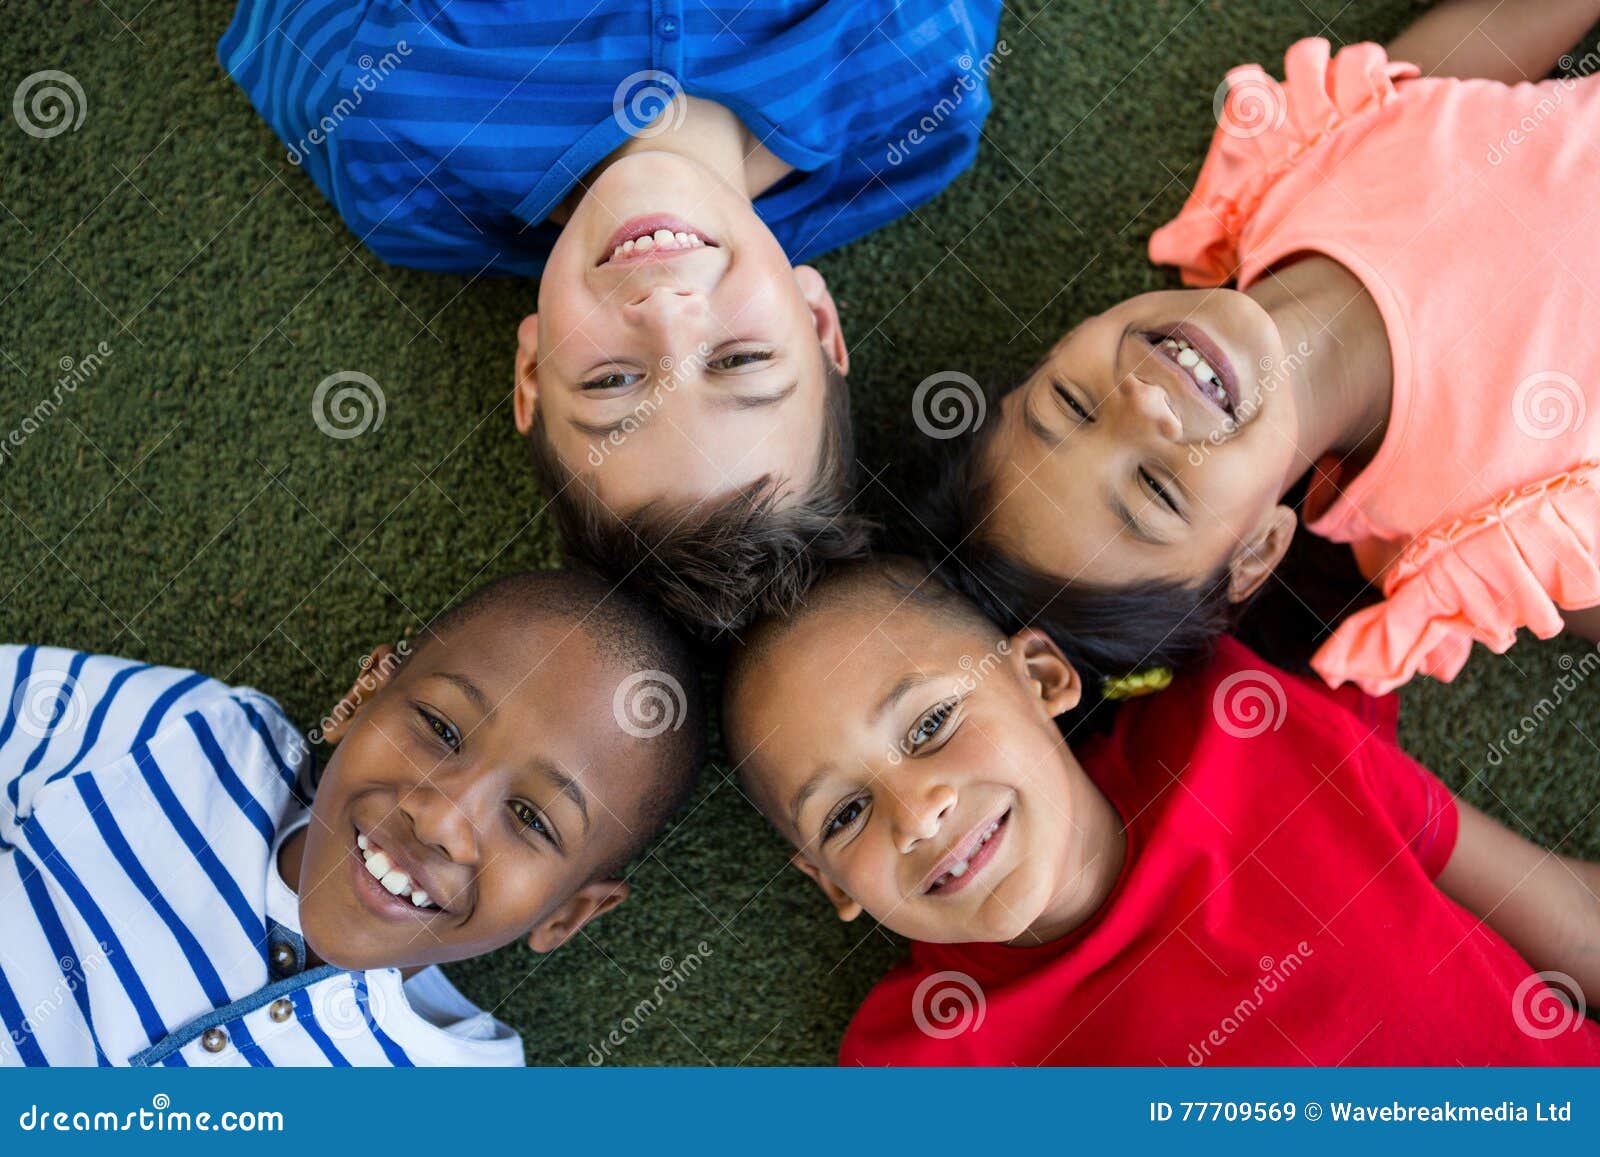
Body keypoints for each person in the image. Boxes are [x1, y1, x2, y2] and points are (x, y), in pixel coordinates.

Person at [219, 0, 1003, 633]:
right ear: (817, 319)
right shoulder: (920, 82)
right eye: (738, 360)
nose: (667, 314)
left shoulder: (392, 158)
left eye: (614, 379)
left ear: (532, 371)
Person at [921, 0, 1600, 694]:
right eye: (1157, 486)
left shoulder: (1305, 153)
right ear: (1258, 551)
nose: (1141, 403)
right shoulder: (1493, 522)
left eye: (1072, 402)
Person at [723, 559, 1600, 1064]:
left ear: (1042, 678)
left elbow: (1558, 909)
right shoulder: (921, 1069)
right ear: (828, 881)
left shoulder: (1237, 721)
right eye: (843, 816)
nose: (915, 813)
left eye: (930, 723)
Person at [0, 570, 703, 1066]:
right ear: (364, 694)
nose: (441, 818)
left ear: (567, 914)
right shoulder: (194, 741)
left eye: (530, 817)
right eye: (441, 729)